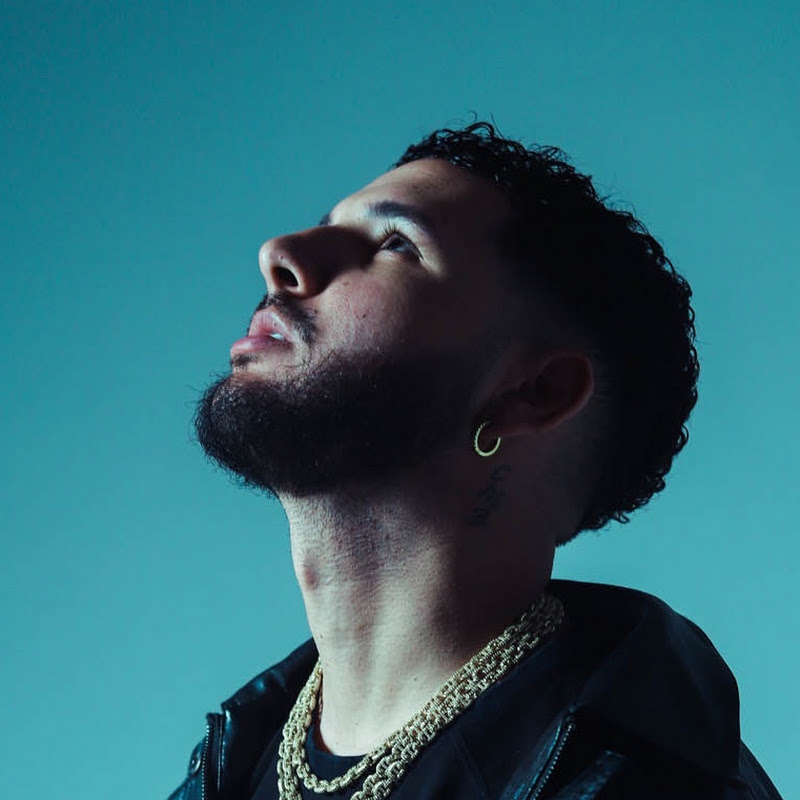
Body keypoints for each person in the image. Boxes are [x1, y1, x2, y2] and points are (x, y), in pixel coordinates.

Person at [168, 122, 782, 799]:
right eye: (326, 226)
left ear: (533, 393)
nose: (279, 253)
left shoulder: (656, 787)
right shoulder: (232, 767)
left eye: (396, 243)